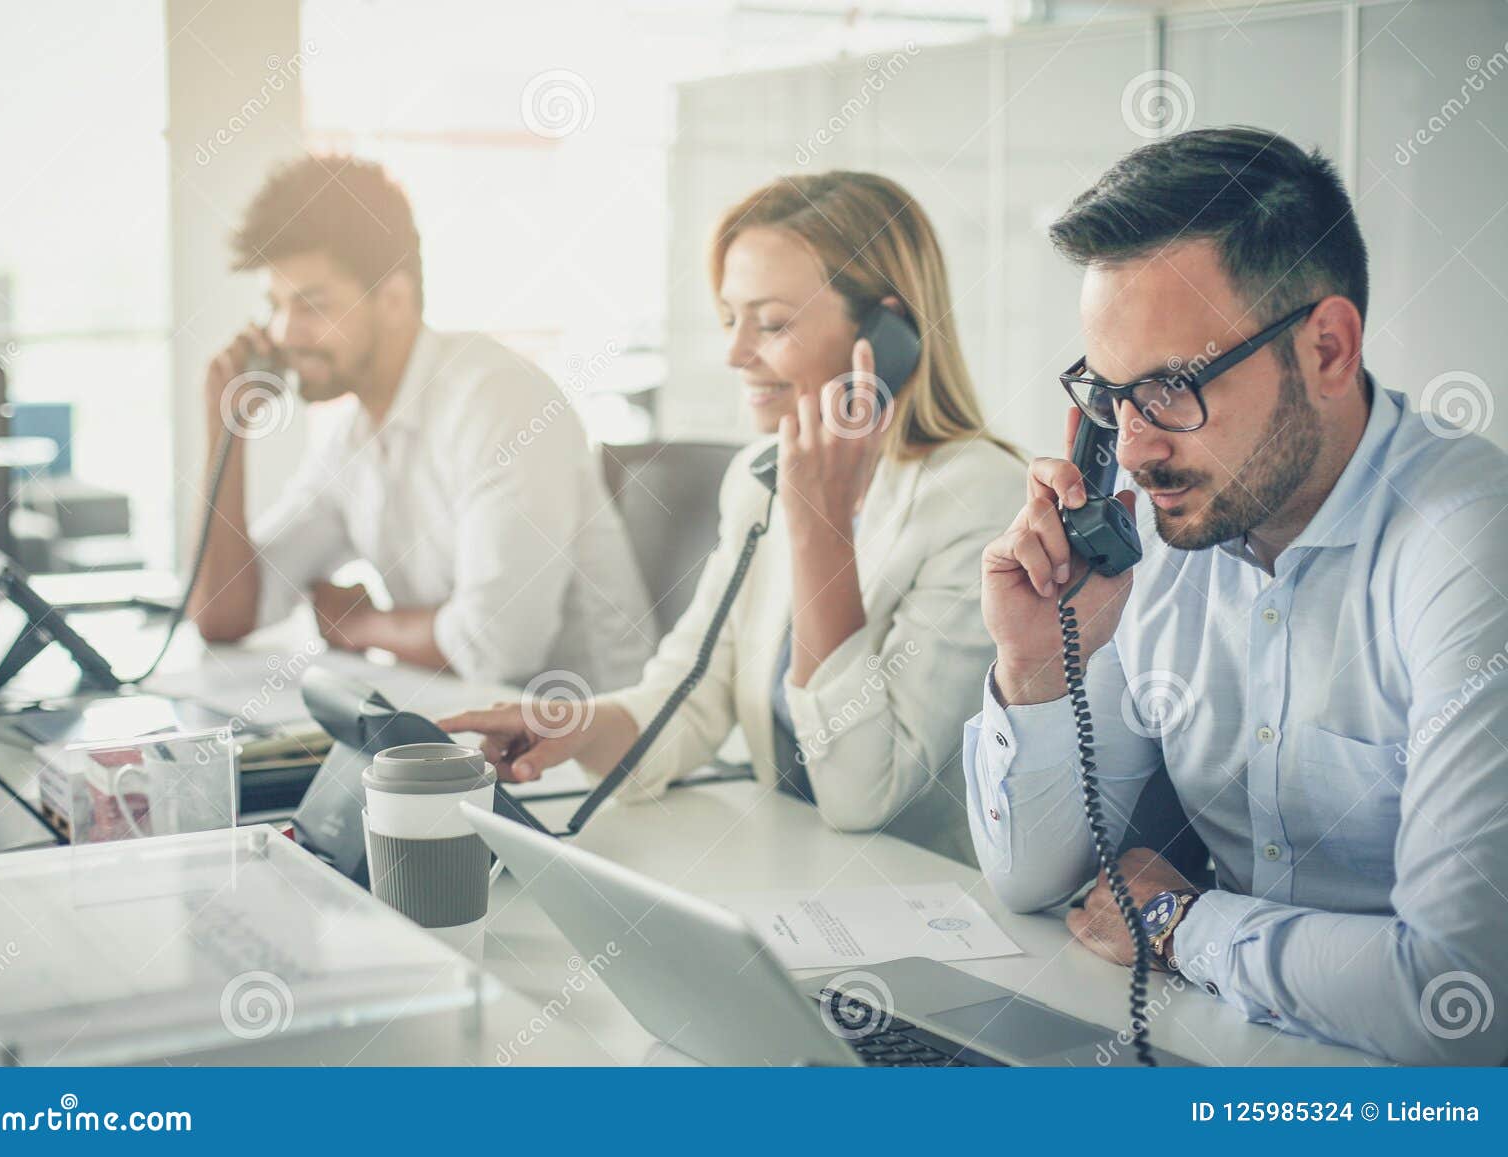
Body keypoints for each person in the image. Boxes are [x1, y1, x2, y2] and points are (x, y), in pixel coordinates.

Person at [967, 127, 1508, 1064]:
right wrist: (1037, 666)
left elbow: (1456, 1004)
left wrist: (1186, 926)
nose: (1131, 447)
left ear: (1329, 348)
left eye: (1174, 386)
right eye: (1112, 391)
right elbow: (1029, 879)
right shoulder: (1169, 535)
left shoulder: (1467, 545)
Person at [443, 172, 1027, 862]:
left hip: (931, 900)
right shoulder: (760, 479)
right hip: (793, 869)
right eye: (730, 318)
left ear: (885, 334)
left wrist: (820, 525)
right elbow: (690, 695)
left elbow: (866, 793)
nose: (735, 353)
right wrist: (574, 726)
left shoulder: (980, 499)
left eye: (772, 322)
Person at [188, 154, 653, 692]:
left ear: (395, 299)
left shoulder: (499, 402)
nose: (284, 334)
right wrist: (227, 431)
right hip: (461, 732)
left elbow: (497, 648)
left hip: (583, 747)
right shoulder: (354, 438)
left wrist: (363, 626)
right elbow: (224, 615)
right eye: (277, 306)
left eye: (312, 307)